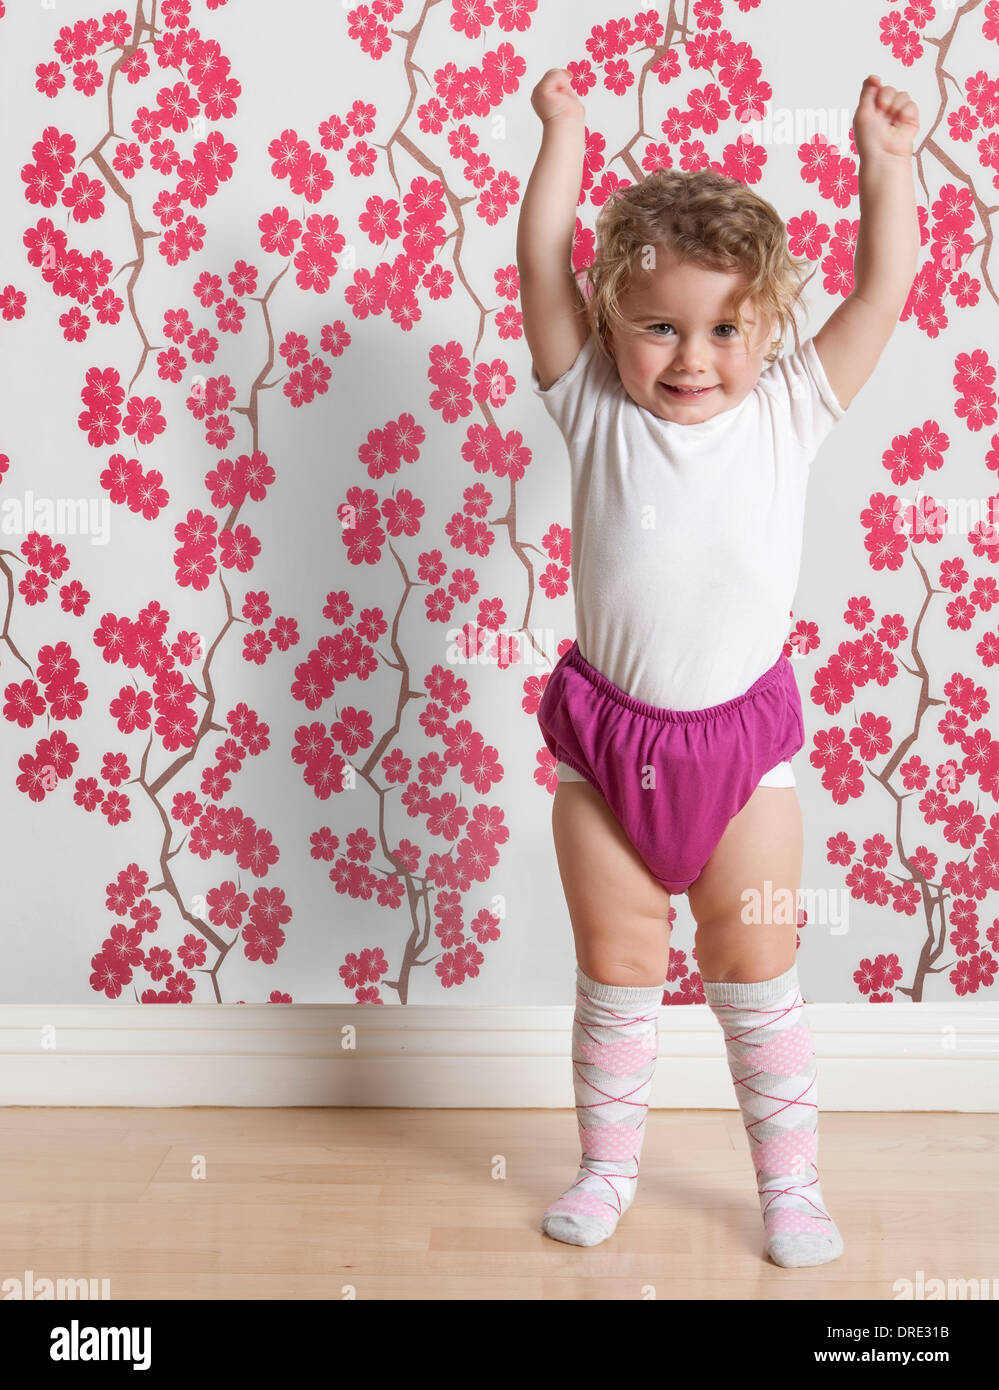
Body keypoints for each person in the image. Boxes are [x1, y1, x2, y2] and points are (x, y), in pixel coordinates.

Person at [517, 68, 920, 1264]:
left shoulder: (791, 406)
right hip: (610, 745)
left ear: (767, 329)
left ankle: (789, 1186)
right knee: (621, 964)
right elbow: (542, 260)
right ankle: (606, 1170)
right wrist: (565, 136)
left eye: (726, 327)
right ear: (609, 325)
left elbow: (885, 288)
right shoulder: (592, 402)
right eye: (660, 325)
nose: (694, 357)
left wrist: (886, 165)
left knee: (757, 962)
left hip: (743, 754)